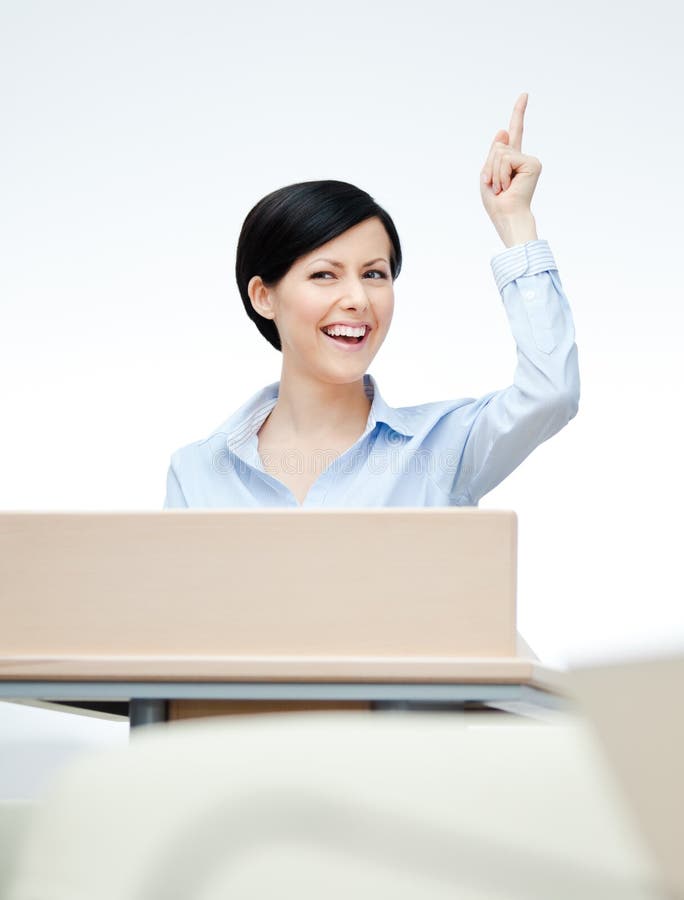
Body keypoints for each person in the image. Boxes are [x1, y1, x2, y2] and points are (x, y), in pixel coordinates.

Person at [164, 93, 579, 510]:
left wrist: (515, 222)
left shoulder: (442, 451)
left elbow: (551, 394)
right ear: (263, 296)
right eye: (324, 274)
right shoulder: (198, 473)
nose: (358, 299)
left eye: (374, 274)